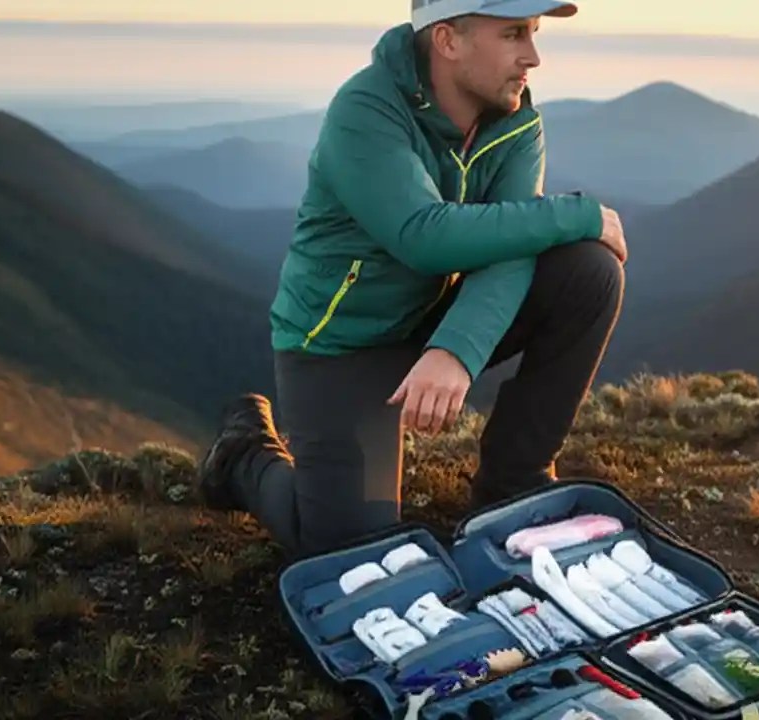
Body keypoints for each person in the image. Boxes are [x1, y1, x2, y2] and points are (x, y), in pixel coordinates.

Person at [193, 0, 627, 559]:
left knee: (588, 271)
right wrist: (580, 213)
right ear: (447, 40)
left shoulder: (515, 121)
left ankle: (511, 487)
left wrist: (455, 348)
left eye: (534, 33)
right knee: (351, 549)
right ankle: (244, 454)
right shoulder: (365, 110)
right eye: (514, 34)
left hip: (429, 321)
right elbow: (422, 236)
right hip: (340, 345)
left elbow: (514, 249)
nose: (533, 57)